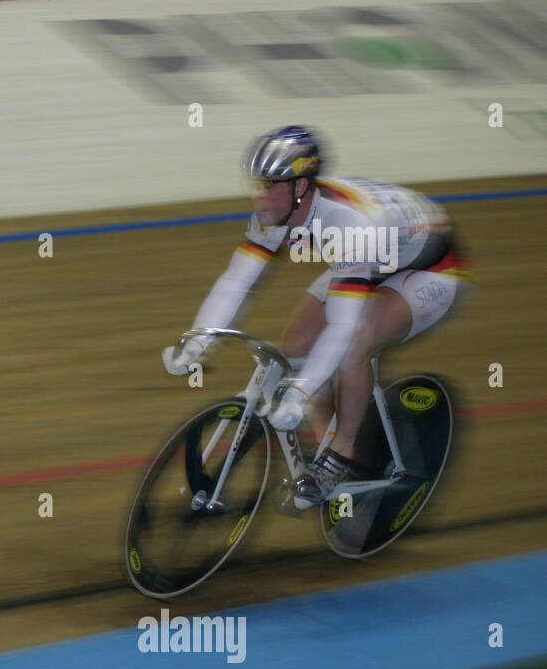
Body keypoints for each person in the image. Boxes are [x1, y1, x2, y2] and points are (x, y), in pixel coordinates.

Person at [162, 125, 469, 505]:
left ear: (301, 187)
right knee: (295, 349)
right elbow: (236, 281)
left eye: (272, 185)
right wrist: (199, 340)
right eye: (258, 184)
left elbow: (342, 326)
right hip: (369, 257)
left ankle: (340, 456)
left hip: (427, 269)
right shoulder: (275, 211)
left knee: (355, 343)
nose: (260, 195)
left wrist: (301, 392)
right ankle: (325, 448)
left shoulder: (348, 224)